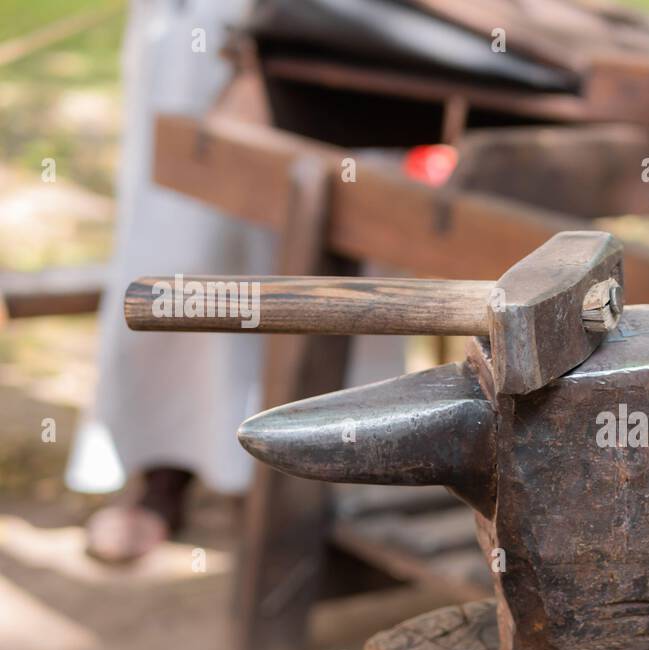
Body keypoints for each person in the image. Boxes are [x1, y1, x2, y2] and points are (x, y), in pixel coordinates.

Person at [67, 0, 401, 562]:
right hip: (203, 28)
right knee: (187, 243)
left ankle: (330, 479)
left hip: (344, 27)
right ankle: (165, 467)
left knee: (343, 242)